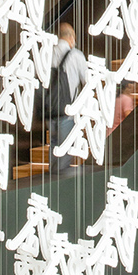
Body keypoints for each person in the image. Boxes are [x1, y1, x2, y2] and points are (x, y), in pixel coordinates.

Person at [46, 22, 87, 173]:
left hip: (49, 108)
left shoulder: (48, 53)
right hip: (67, 110)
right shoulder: (76, 55)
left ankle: (51, 180)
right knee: (64, 147)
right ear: (71, 37)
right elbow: (87, 81)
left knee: (54, 144)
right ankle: (61, 182)